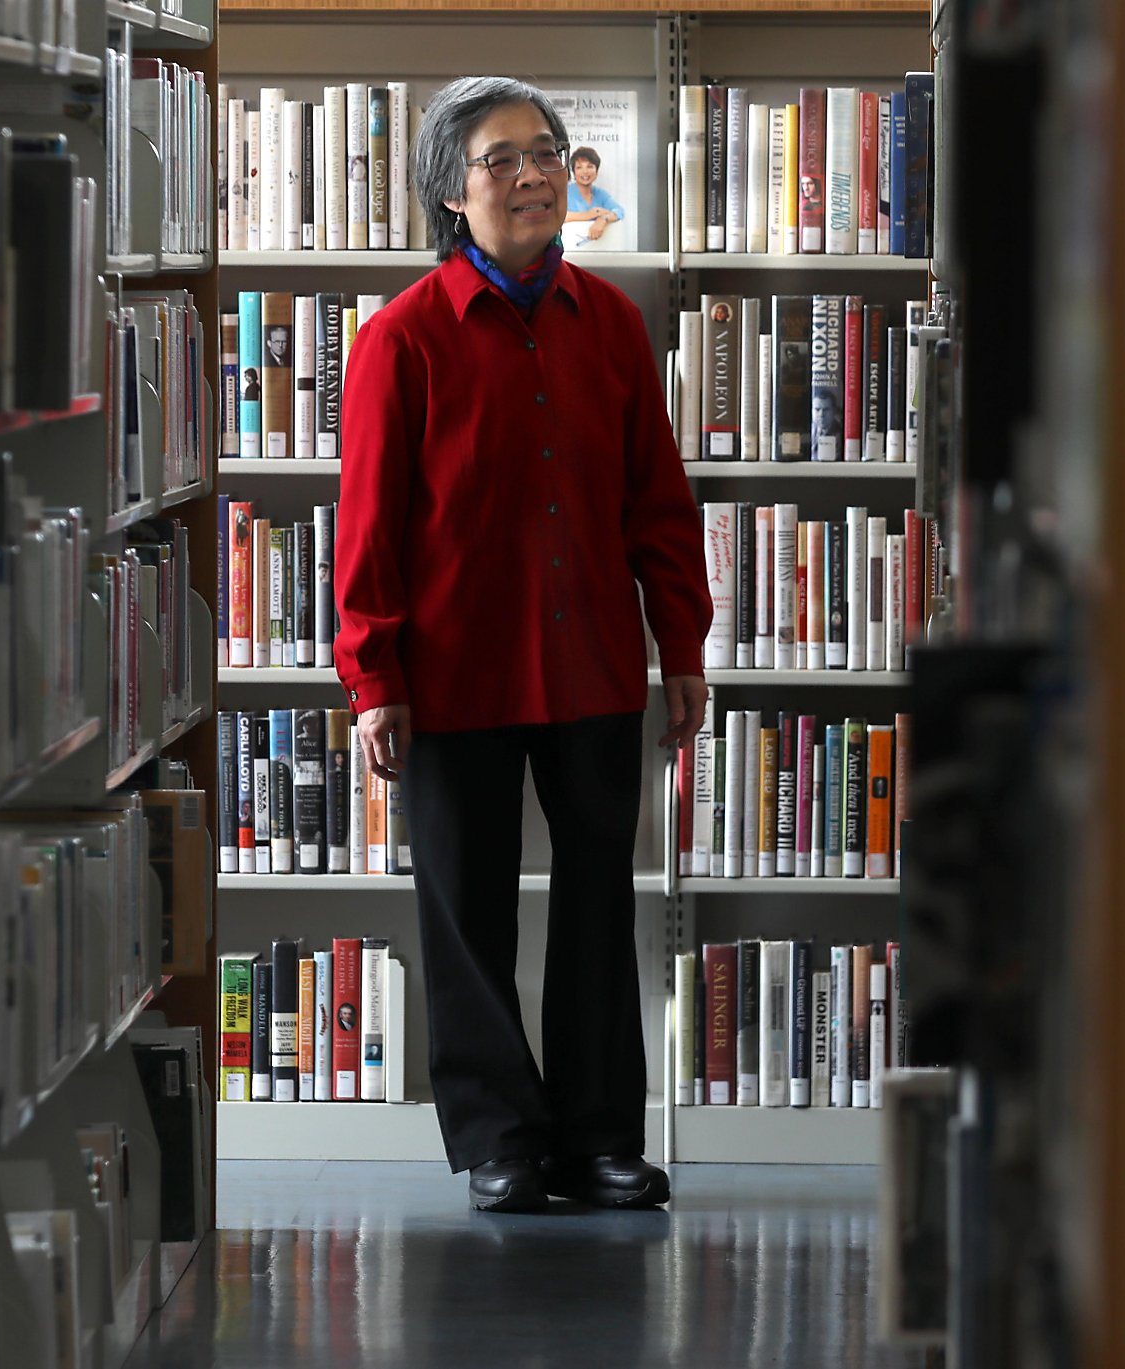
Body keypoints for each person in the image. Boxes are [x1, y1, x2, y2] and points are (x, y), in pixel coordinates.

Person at [333, 76, 711, 1214]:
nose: (535, 172)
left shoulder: (612, 327)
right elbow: (368, 522)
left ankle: (599, 1137)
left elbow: (658, 501)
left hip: (593, 659)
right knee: (466, 908)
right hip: (451, 674)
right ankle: (500, 1137)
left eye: (546, 151)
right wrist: (371, 677)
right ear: (452, 190)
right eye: (503, 158)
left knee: (602, 901)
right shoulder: (401, 341)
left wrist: (680, 647)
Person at [563, 145, 624, 244]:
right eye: (579, 167)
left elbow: (619, 211)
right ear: (573, 172)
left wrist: (603, 218)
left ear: (596, 171)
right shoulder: (565, 192)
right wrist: (591, 214)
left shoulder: (600, 194)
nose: (585, 172)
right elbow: (561, 216)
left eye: (590, 166)